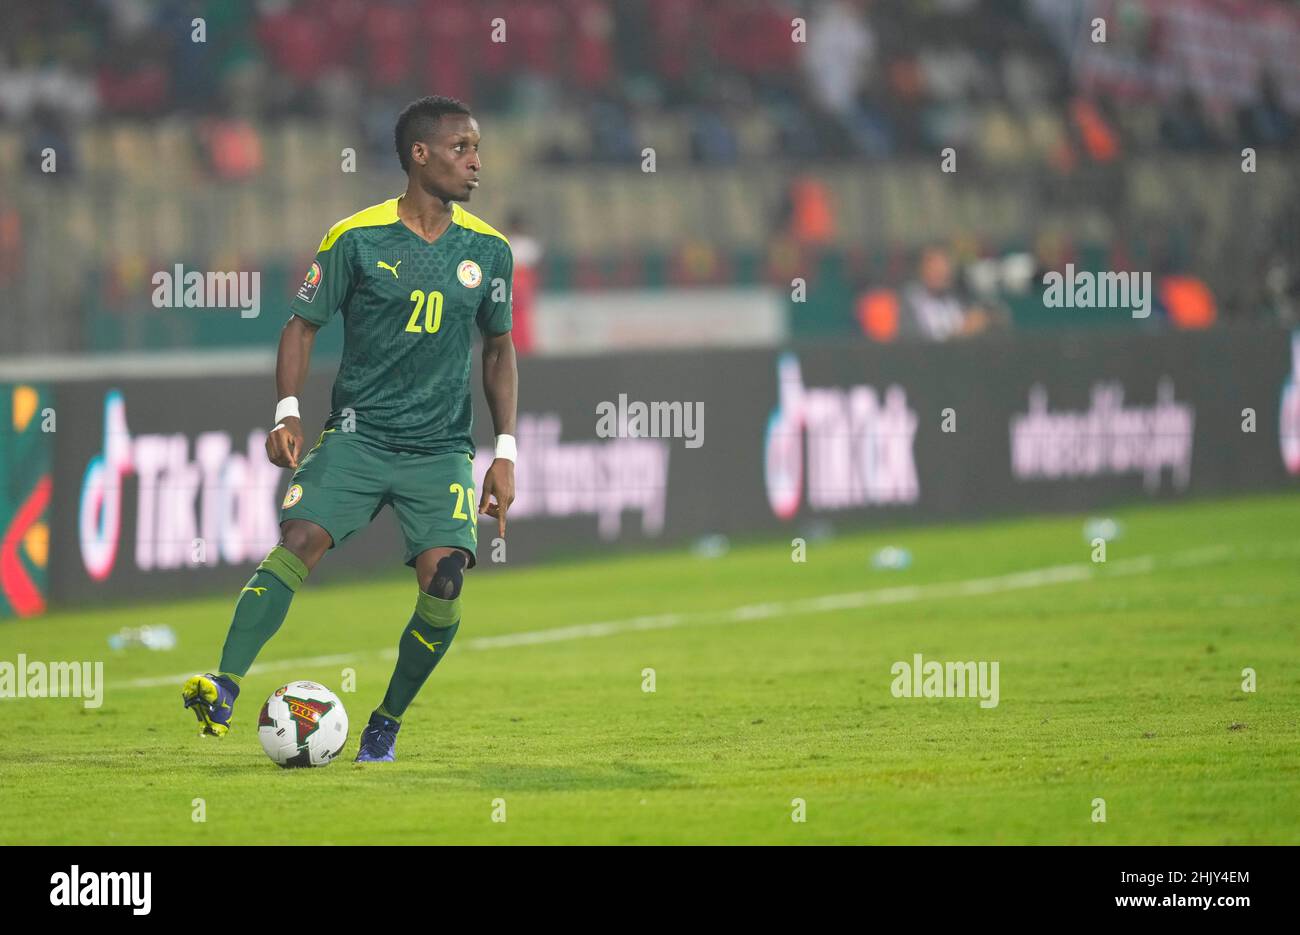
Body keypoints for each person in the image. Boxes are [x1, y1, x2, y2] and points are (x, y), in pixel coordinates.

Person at [182, 95, 518, 763]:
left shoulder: (489, 250)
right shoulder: (355, 238)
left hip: (441, 449)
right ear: (419, 155)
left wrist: (504, 451)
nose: (476, 162)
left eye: (477, 149)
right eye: (461, 148)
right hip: (359, 437)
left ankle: (385, 723)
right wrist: (286, 410)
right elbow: (300, 325)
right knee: (301, 536)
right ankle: (222, 685)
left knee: (445, 578)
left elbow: (499, 348)